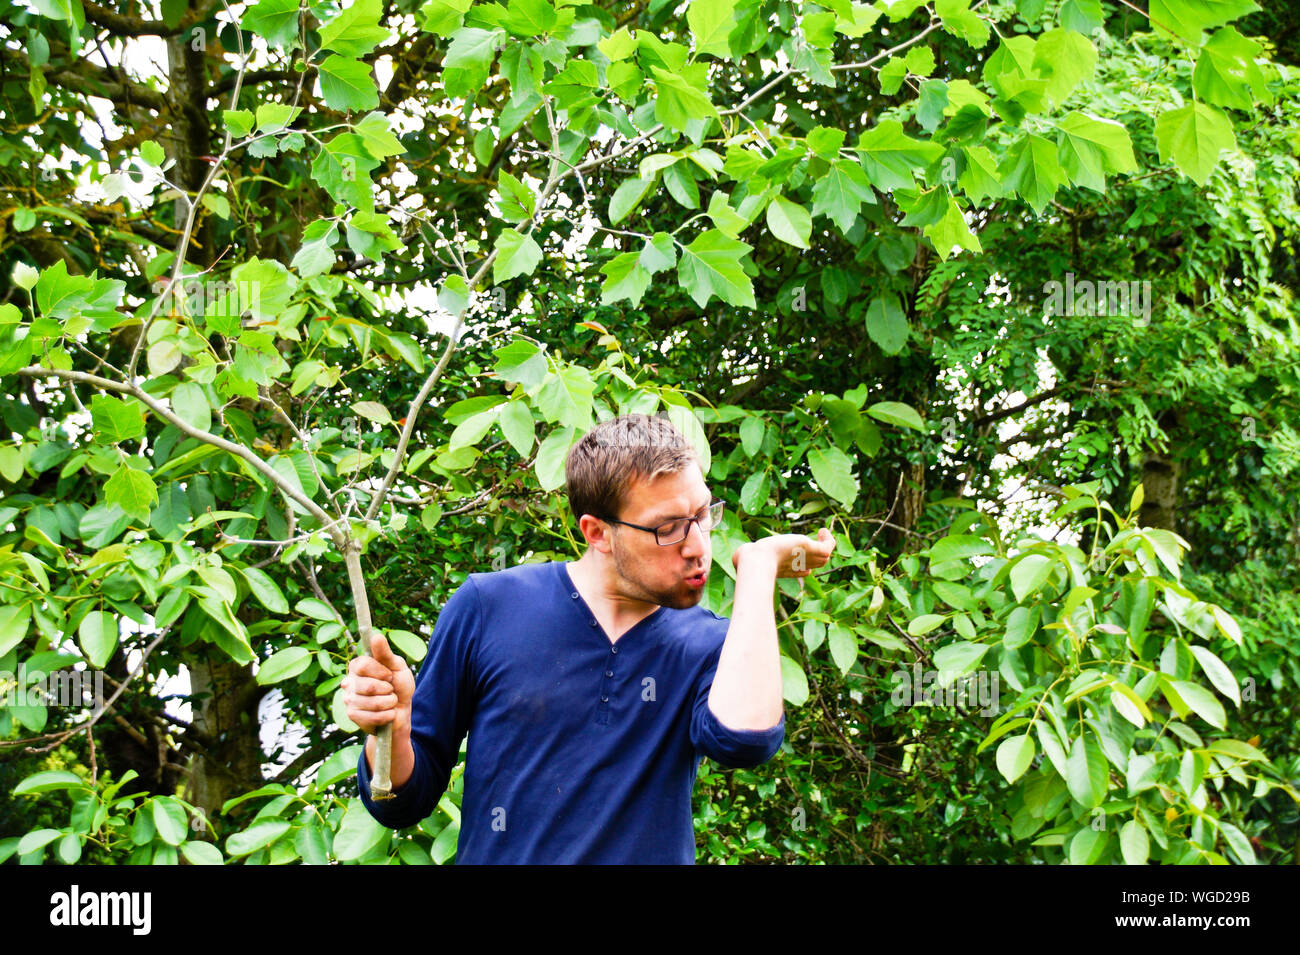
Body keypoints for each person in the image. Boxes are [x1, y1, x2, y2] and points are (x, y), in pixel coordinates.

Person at [345, 412, 835, 863]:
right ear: (597, 533)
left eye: (703, 515)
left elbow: (744, 743)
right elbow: (401, 803)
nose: (697, 546)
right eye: (668, 529)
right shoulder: (488, 607)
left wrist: (759, 568)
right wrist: (393, 731)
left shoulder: (706, 644)